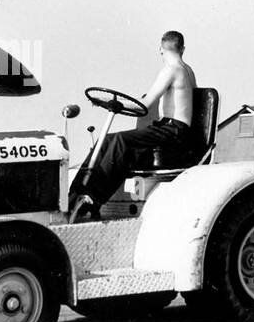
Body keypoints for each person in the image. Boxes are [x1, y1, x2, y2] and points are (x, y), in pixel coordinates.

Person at [69, 30, 197, 219]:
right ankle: (74, 196)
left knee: (120, 141)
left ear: (160, 49)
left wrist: (111, 103)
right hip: (171, 128)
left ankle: (93, 198)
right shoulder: (187, 69)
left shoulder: (171, 70)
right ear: (183, 48)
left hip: (173, 130)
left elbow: (145, 104)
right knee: (106, 139)